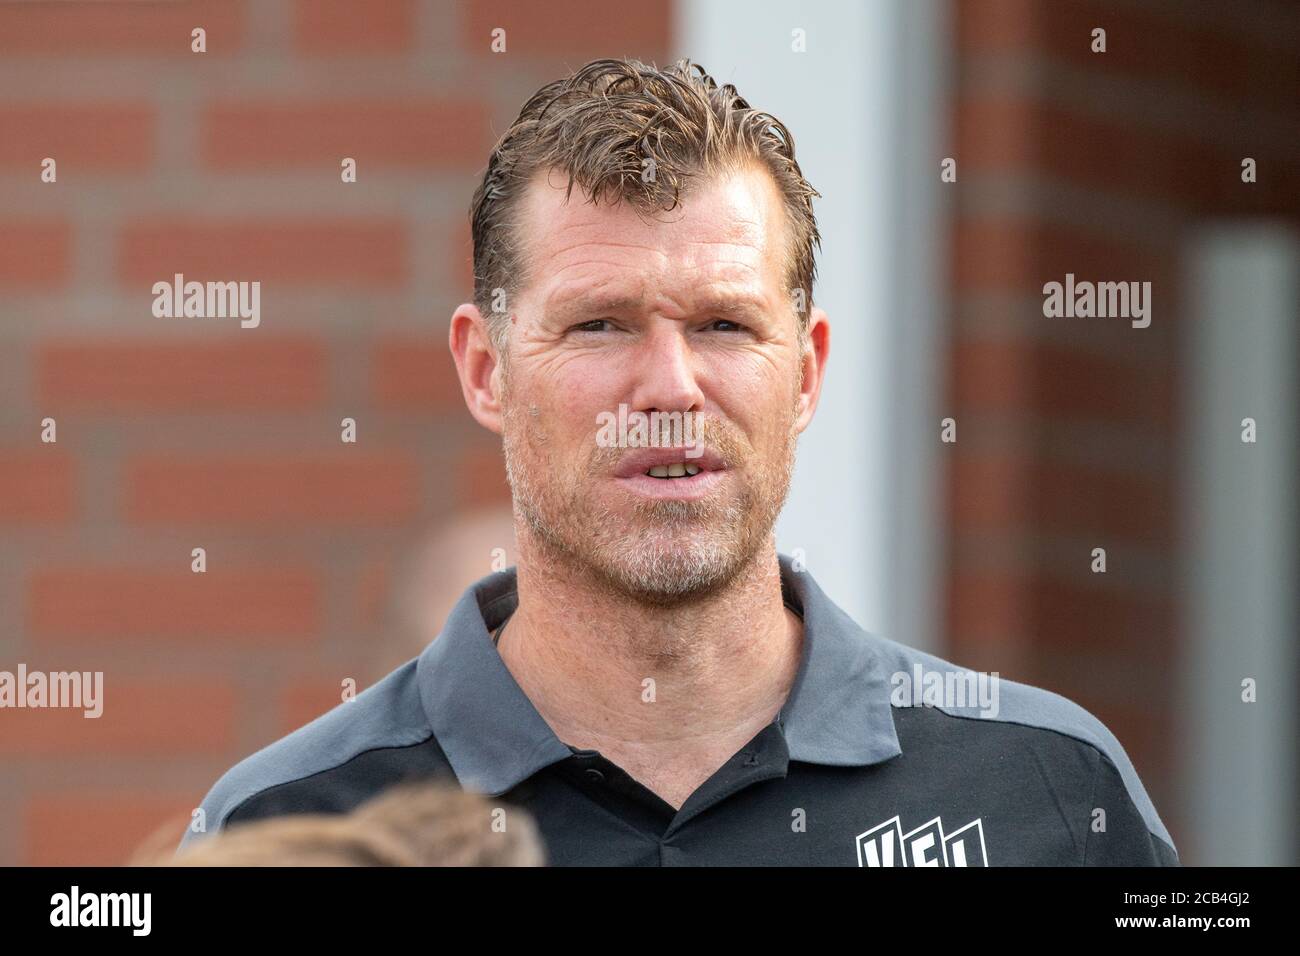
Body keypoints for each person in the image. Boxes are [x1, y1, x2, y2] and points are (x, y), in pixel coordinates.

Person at [180, 57, 1178, 866]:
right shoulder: (287, 828)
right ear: (485, 370)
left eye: (723, 324)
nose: (669, 387)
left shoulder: (1049, 789)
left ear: (805, 371)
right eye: (601, 323)